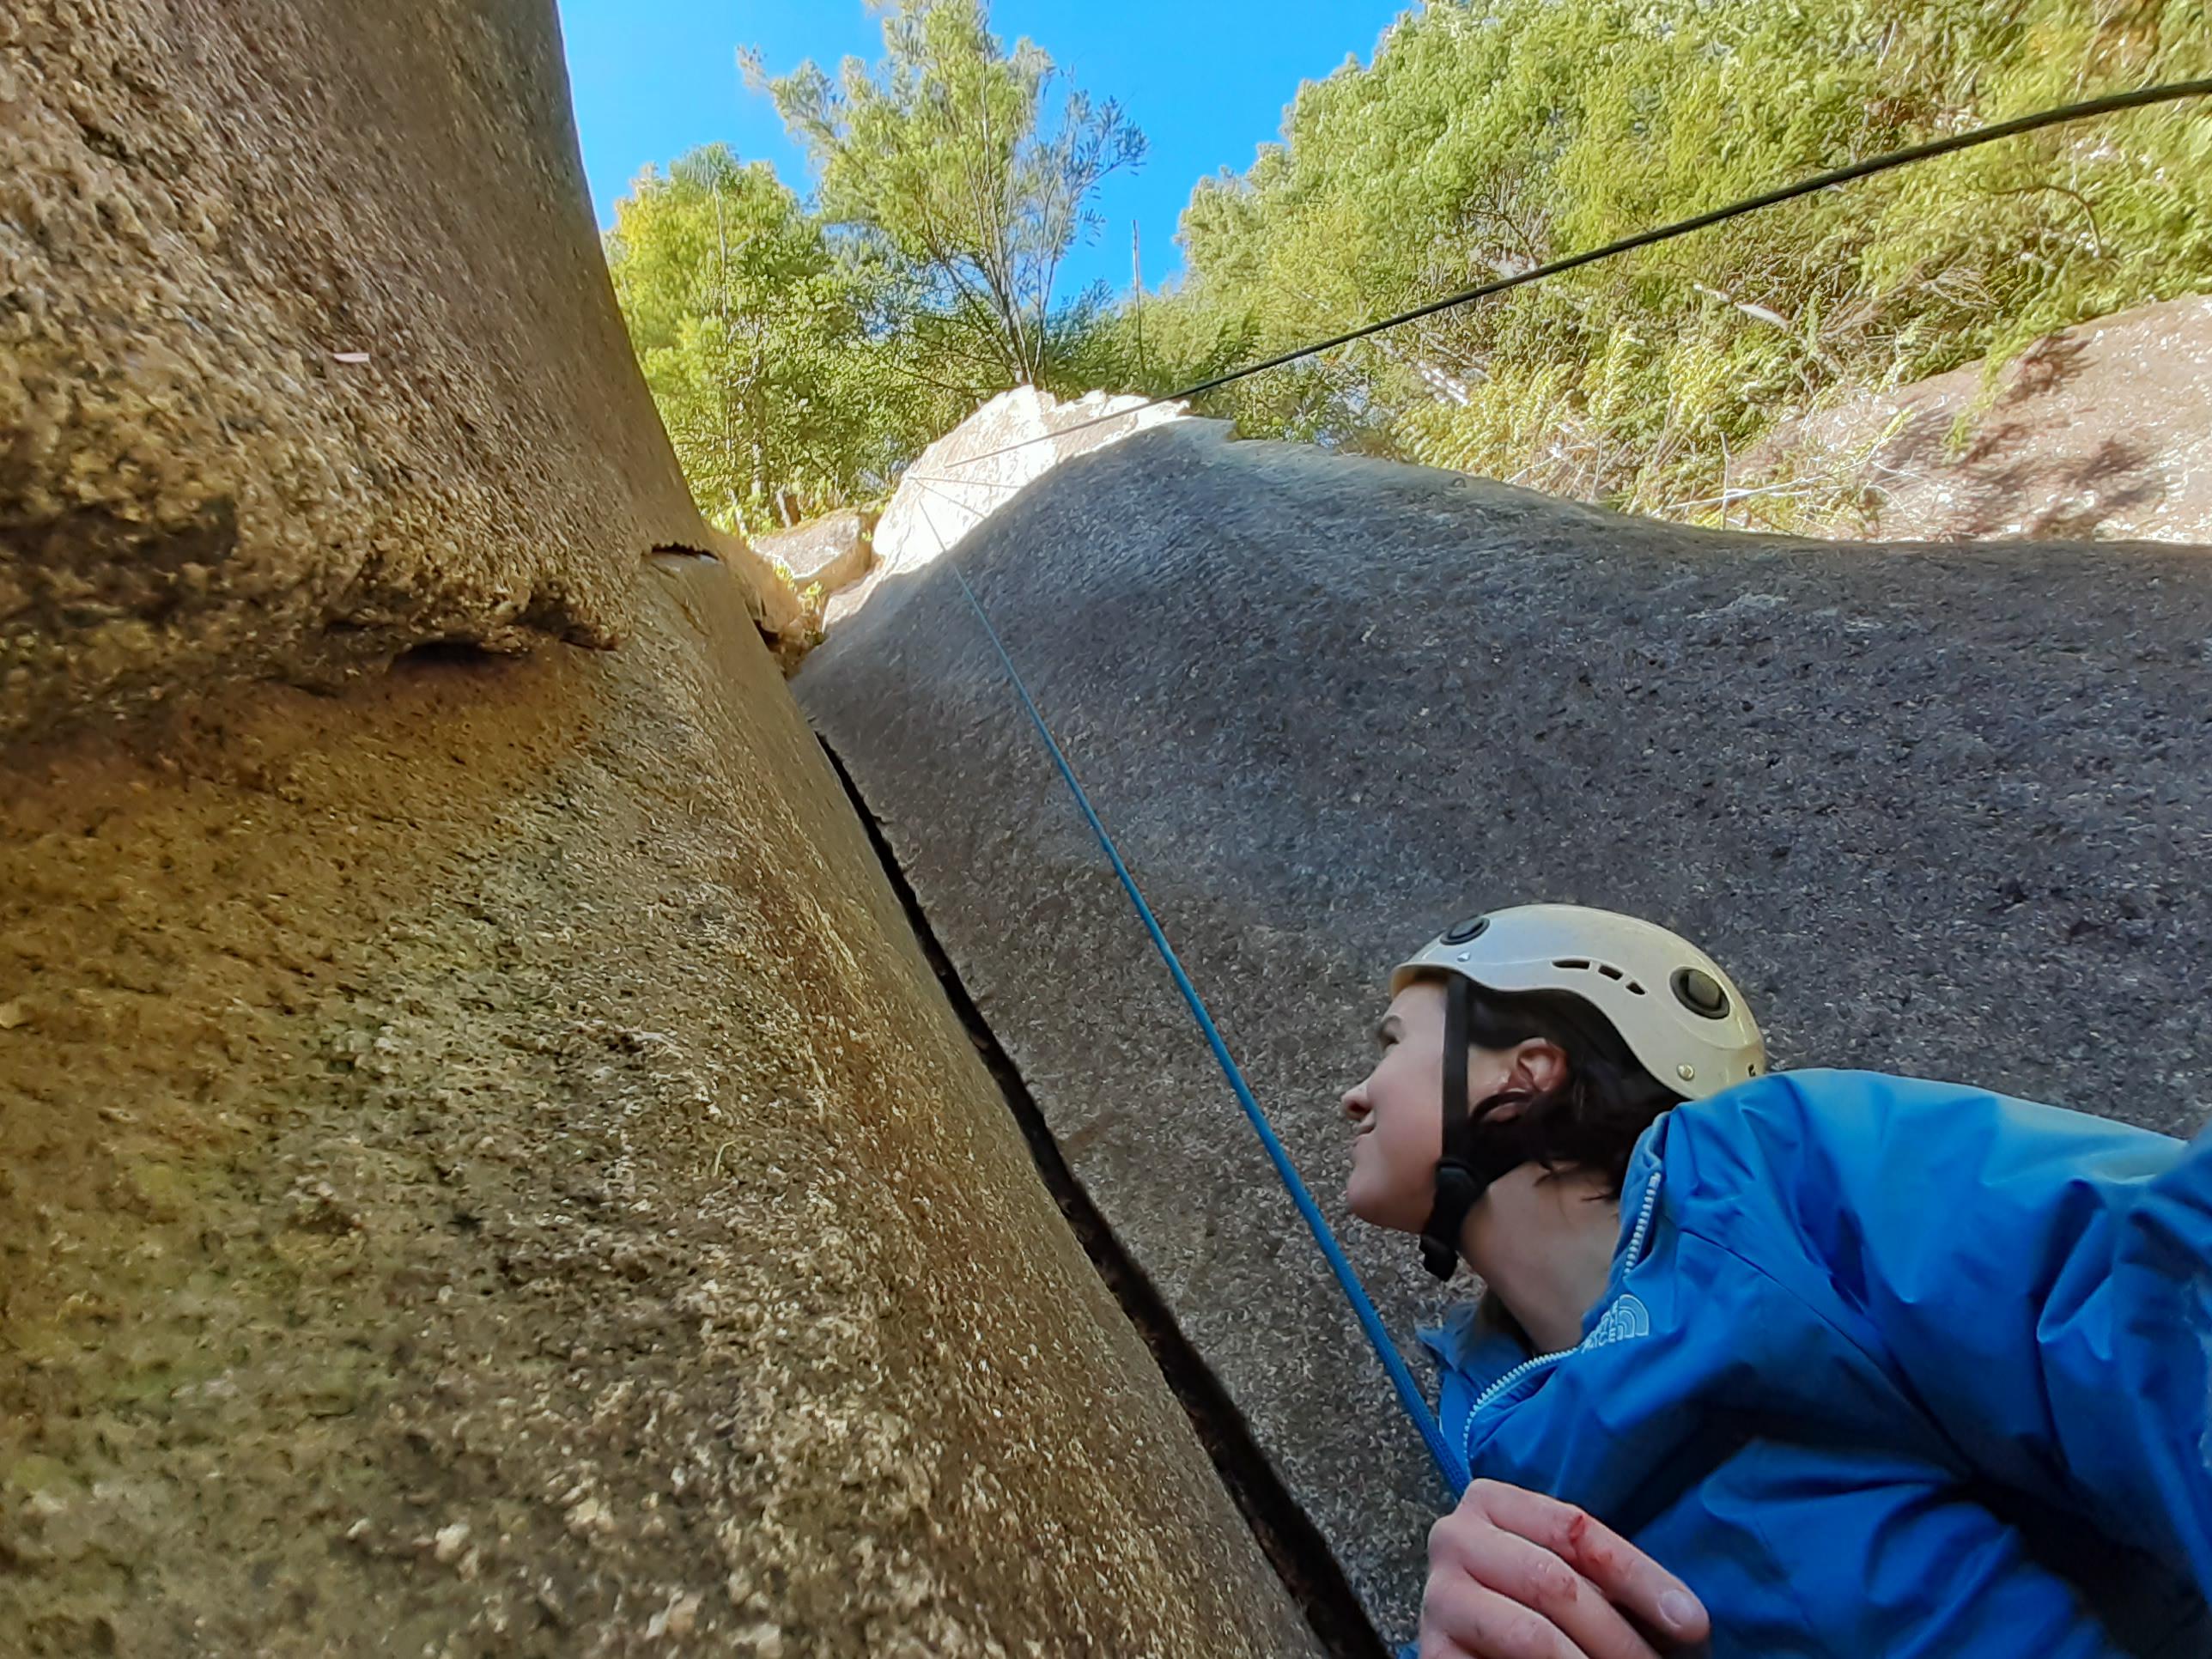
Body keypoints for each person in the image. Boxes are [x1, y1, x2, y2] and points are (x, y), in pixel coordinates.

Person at [1340, 903, 2212, 1659]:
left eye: (1391, 1044)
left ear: (1527, 1069)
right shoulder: (1495, 1434)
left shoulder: (1771, 1177)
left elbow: (2151, 1307)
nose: (1353, 1094)